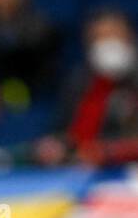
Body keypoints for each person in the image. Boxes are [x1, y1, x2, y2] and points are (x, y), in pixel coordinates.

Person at [35, 9, 138, 168]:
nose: (108, 44)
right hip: (82, 169)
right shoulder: (79, 80)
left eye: (113, 35)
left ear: (129, 37)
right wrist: (56, 145)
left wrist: (110, 151)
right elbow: (64, 129)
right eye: (99, 38)